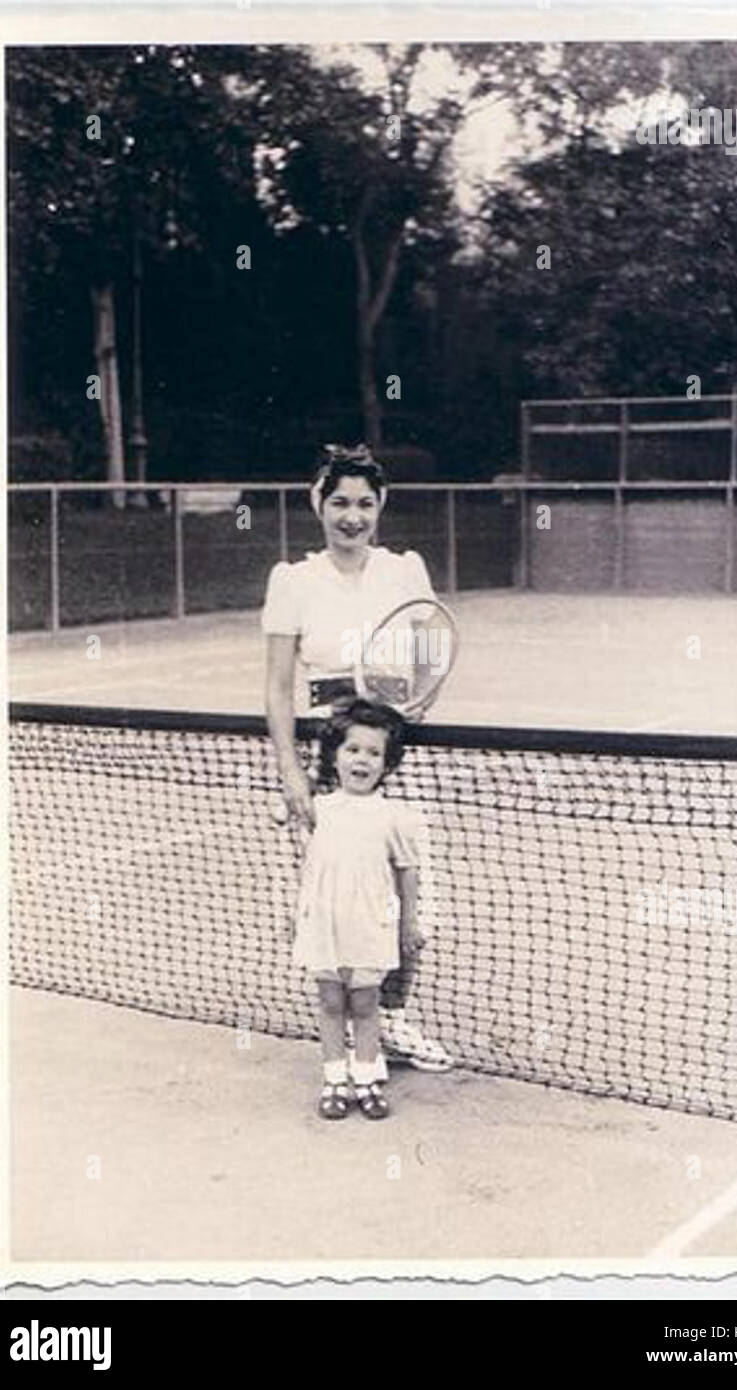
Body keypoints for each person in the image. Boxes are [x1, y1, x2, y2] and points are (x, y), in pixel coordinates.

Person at [263, 442, 451, 1074]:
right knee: (333, 897)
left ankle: (391, 1018)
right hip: (326, 754)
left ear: (381, 506)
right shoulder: (293, 580)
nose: (352, 516)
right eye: (339, 501)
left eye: (365, 503)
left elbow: (432, 646)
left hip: (395, 751)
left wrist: (421, 697)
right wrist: (291, 771)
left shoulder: (405, 570)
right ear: (318, 504)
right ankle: (341, 1036)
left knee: (402, 895)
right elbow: (276, 684)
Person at [294, 700, 424, 1119]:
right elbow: (297, 855)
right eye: (353, 750)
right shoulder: (316, 809)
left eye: (373, 753)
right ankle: (334, 1080)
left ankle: (366, 1079)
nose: (362, 760)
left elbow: (407, 874)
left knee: (366, 1006)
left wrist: (408, 924)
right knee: (331, 1005)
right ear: (334, 755)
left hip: (369, 925)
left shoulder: (393, 817)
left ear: (387, 765)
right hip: (324, 925)